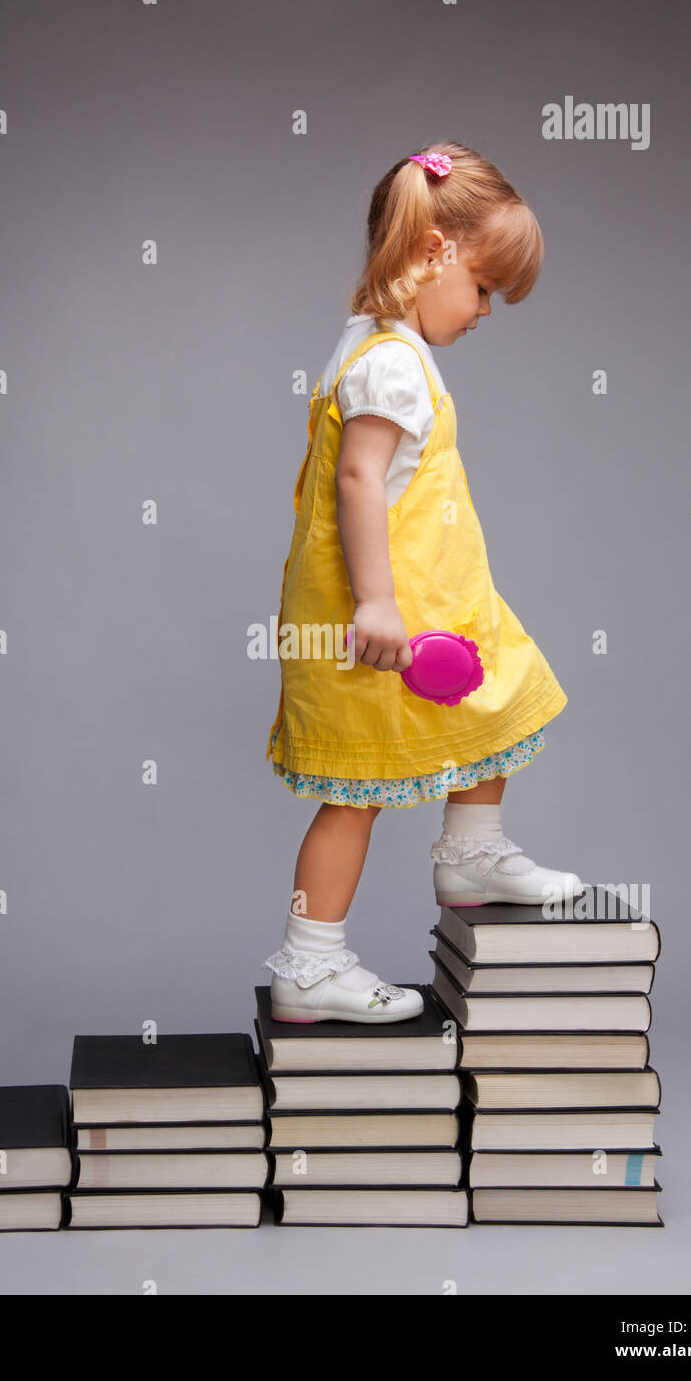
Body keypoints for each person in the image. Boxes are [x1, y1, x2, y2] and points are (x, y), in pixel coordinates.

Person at [262, 142, 582, 1024]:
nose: (484, 311)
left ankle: (469, 855)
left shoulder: (369, 344)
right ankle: (309, 961)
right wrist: (375, 601)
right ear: (432, 252)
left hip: (435, 608)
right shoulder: (392, 364)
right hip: (384, 622)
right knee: (354, 794)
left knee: (494, 697)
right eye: (482, 288)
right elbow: (358, 480)